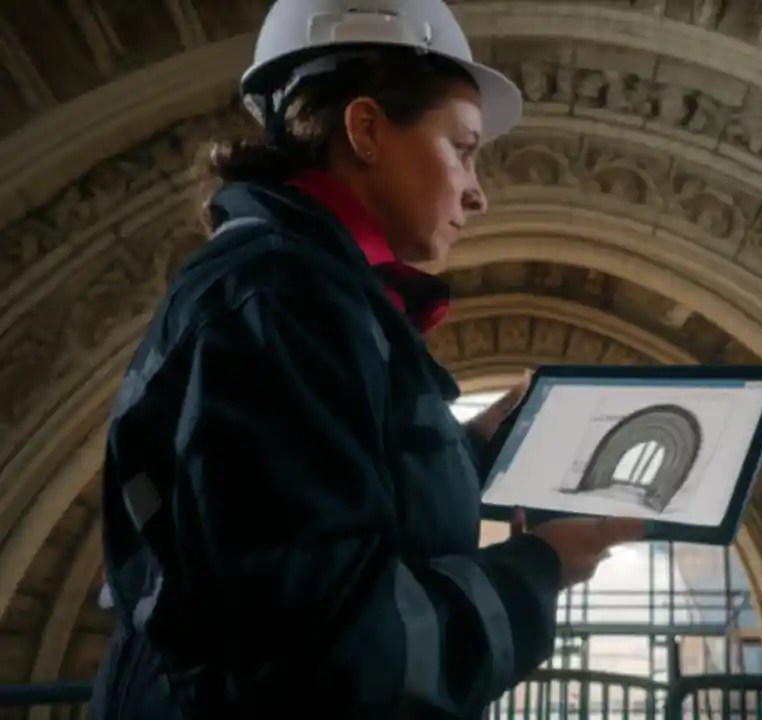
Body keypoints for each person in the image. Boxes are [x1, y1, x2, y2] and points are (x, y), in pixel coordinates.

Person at [90, 1, 645, 717]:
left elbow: (316, 508)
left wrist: (473, 452)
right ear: (367, 129)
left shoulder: (299, 289)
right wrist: (539, 569)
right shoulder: (284, 302)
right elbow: (336, 651)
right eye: (463, 149)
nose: (478, 193)